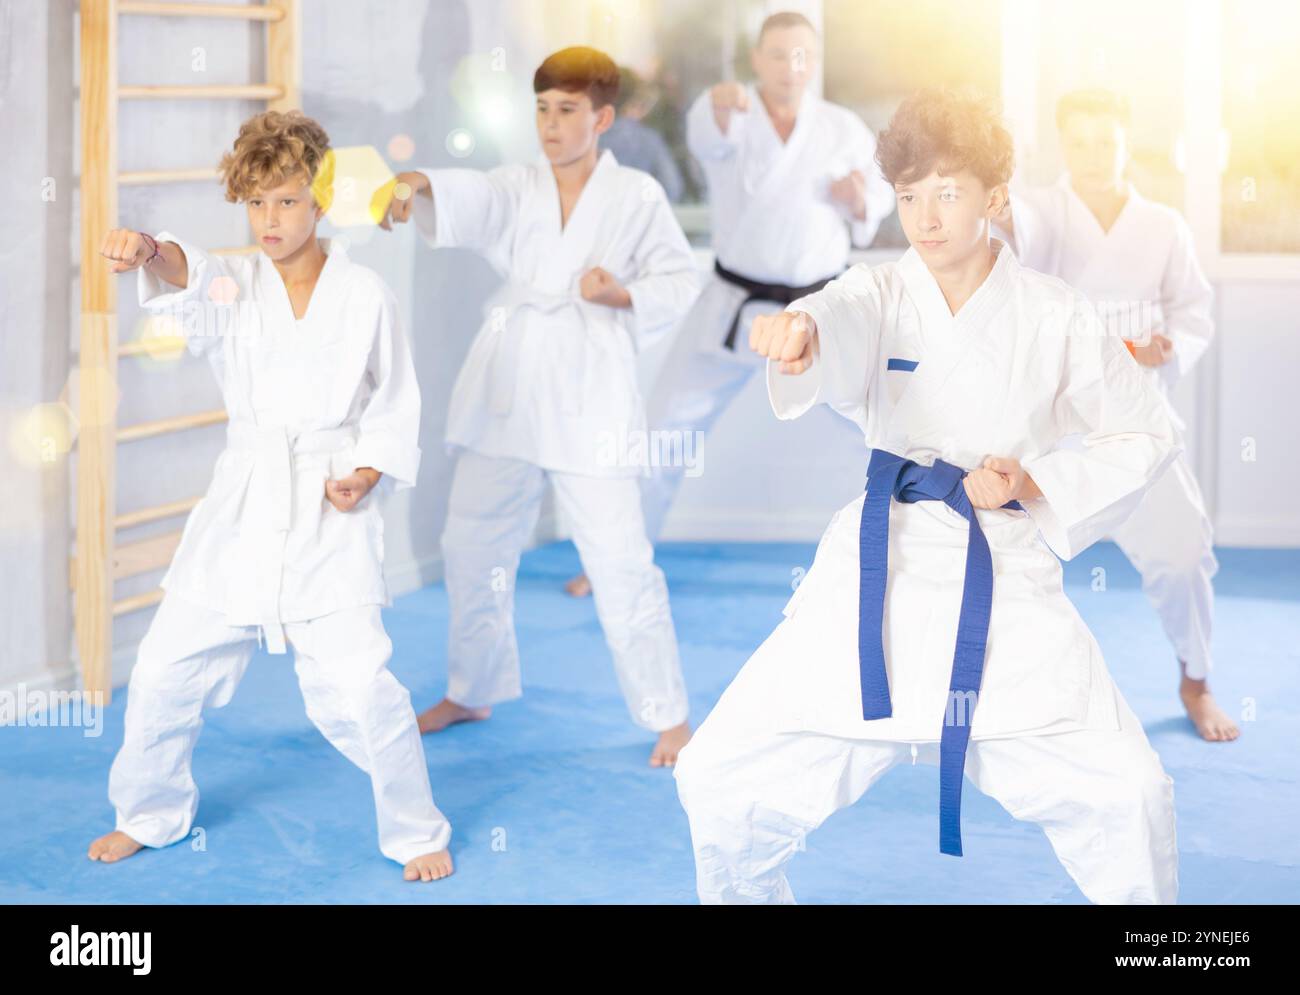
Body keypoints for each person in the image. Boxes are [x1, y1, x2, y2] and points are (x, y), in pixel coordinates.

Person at [673, 88, 1182, 904]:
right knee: (715, 775)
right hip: (874, 574)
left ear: (997, 197)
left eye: (947, 191)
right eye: (908, 196)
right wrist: (800, 334)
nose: (925, 216)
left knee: (1132, 794)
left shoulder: (1056, 315)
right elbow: (831, 315)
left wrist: (1034, 480)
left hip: (1000, 578)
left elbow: (1146, 431)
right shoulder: (878, 293)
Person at [87, 111, 454, 881]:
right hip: (243, 509)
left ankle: (416, 827)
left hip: (328, 511)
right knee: (161, 668)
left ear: (319, 200)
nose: (269, 220)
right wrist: (149, 247)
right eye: (256, 204)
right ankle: (148, 812)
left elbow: (396, 403)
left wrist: (368, 472)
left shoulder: (364, 294)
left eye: (286, 201)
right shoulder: (237, 280)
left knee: (358, 687)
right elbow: (185, 267)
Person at [381, 47, 698, 765]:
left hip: (589, 387)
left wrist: (619, 293)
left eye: (567, 112)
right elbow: (467, 199)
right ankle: (473, 685)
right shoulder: (516, 184)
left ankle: (669, 716)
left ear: (603, 118)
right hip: (513, 381)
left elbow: (679, 279)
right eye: (542, 110)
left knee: (618, 558)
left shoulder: (637, 196)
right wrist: (416, 182)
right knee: (472, 543)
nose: (551, 126)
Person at [565, 11, 894, 597]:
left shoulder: (843, 129)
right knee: (667, 428)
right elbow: (706, 142)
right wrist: (719, 111)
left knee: (877, 428)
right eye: (777, 55)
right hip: (733, 302)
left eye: (801, 56)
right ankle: (615, 562)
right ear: (757, 60)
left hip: (819, 312)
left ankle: (904, 557)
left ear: (813, 63)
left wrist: (858, 200)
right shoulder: (728, 109)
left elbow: (871, 213)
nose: (790, 67)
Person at [996, 88, 1234, 741]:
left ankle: (1196, 680)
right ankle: (1001, 698)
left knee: (1186, 550)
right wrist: (1000, 205)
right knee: (1004, 554)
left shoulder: (1163, 225)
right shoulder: (1041, 212)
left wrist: (1171, 347)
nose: (1094, 155)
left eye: (1106, 141)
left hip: (1136, 416)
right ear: (1061, 146)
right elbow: (1017, 228)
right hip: (1055, 421)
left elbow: (1192, 312)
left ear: (1127, 142)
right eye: (1080, 143)